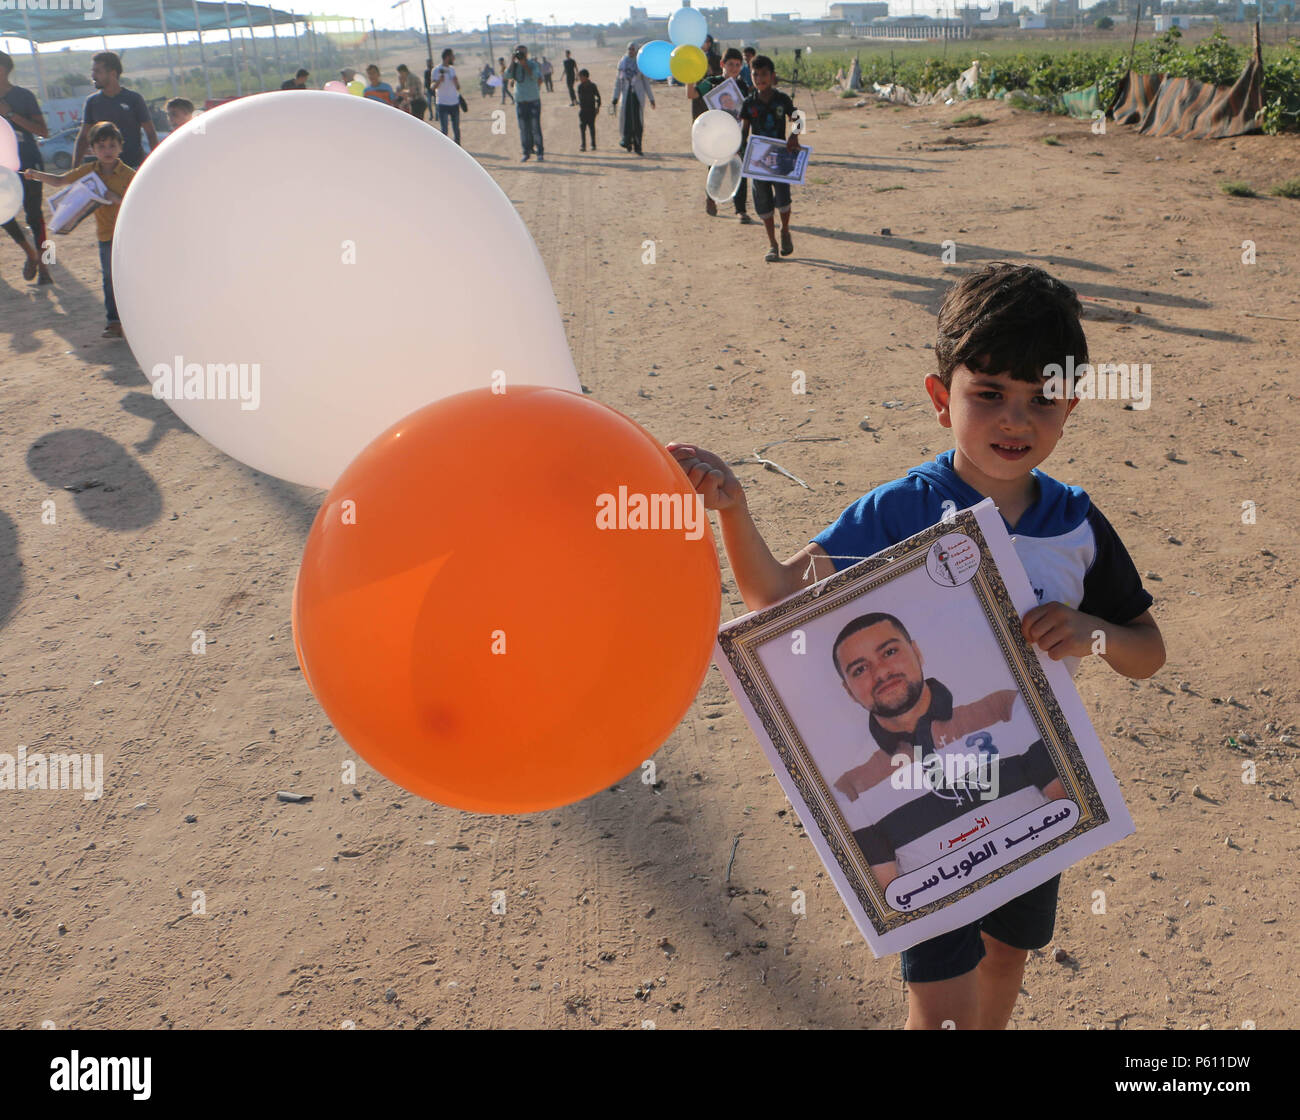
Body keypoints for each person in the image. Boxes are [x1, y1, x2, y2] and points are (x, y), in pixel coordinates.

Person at [668, 262, 1165, 1030]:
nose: (1015, 421)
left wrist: (1094, 634)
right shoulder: (902, 508)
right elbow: (778, 597)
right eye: (989, 394)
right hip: (914, 807)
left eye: (1042, 400)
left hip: (1031, 786)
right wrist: (733, 511)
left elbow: (1147, 650)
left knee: (1008, 951)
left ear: (1070, 404)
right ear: (942, 400)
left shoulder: (1076, 525)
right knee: (937, 1000)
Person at [829, 612, 1067, 885]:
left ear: (916, 652)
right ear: (849, 691)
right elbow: (892, 900)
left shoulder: (1006, 709)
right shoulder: (851, 790)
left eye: (890, 652)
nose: (881, 672)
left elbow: (1072, 814)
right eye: (860, 670)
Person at [26, 121, 137, 339]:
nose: (107, 151)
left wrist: (115, 199)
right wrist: (36, 175)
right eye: (102, 146)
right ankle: (114, 322)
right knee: (109, 278)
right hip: (106, 236)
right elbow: (59, 181)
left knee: (131, 278)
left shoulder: (129, 175)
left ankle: (136, 321)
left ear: (121, 147)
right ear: (92, 149)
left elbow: (140, 202)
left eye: (112, 146)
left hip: (129, 235)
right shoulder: (88, 171)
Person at [737, 55, 798, 262]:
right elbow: (744, 131)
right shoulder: (748, 103)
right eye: (755, 74)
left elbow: (799, 119)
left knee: (783, 199)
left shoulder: (782, 100)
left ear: (772, 76)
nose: (759, 78)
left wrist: (793, 136)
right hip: (759, 159)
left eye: (764, 74)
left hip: (780, 157)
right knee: (763, 201)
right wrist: (741, 151)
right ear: (751, 77)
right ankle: (772, 243)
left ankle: (785, 230)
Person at [0, 50, 52, 284]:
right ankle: (30, 253)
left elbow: (42, 131)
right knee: (3, 215)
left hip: (28, 162)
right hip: (2, 168)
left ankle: (45, 267)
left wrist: (10, 114)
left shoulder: (23, 96)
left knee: (34, 216)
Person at [688, 47, 752, 222]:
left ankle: (740, 210)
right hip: (716, 136)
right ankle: (711, 196)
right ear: (722, 64)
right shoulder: (711, 82)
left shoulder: (743, 86)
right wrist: (689, 78)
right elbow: (692, 94)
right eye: (730, 64)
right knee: (716, 169)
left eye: (738, 65)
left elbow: (748, 110)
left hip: (737, 135)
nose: (734, 68)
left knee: (738, 171)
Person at [74, 52, 157, 170]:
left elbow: (151, 134)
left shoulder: (134, 99)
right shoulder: (92, 102)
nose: (93, 76)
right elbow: (83, 137)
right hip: (106, 171)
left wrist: (155, 163)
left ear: (112, 73)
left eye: (98, 71)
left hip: (134, 167)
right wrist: (74, 170)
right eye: (93, 71)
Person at [611, 42, 655, 157]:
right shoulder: (623, 63)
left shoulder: (640, 64)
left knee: (638, 123)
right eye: (629, 49)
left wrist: (651, 98)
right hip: (626, 96)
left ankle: (638, 145)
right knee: (627, 122)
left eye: (632, 49)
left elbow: (646, 83)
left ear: (636, 51)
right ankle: (627, 142)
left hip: (637, 97)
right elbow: (618, 82)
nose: (630, 51)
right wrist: (615, 98)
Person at [505, 45, 543, 162]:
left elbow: (536, 76)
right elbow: (506, 76)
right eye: (518, 53)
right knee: (523, 128)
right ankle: (526, 152)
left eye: (523, 53)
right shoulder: (515, 66)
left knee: (535, 127)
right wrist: (512, 62)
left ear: (527, 54)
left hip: (533, 101)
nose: (521, 55)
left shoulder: (532, 64)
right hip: (521, 101)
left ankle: (540, 152)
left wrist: (525, 65)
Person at [430, 49, 462, 145]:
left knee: (456, 128)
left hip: (454, 102)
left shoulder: (452, 70)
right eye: (452, 56)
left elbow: (458, 88)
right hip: (442, 103)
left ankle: (458, 147)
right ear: (447, 57)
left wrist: (456, 81)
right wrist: (439, 80)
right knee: (444, 129)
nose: (454, 58)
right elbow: (432, 87)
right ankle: (444, 147)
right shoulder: (436, 70)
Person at [576, 68, 601, 151]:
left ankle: (593, 144)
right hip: (583, 110)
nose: (579, 78)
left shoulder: (593, 86)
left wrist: (597, 107)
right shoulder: (579, 87)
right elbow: (580, 98)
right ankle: (583, 145)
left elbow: (598, 97)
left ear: (585, 77)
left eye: (580, 76)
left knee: (591, 127)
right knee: (582, 128)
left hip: (591, 110)